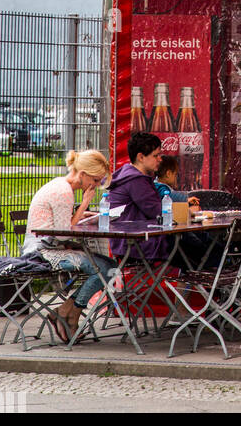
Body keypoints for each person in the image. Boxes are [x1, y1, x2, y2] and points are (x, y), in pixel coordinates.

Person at [23, 148, 113, 341]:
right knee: (105, 268)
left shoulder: (61, 186)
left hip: (48, 247)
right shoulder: (64, 191)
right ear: (82, 174)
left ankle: (68, 311)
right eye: (96, 180)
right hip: (42, 252)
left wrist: (82, 214)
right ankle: (70, 312)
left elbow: (63, 226)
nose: (96, 186)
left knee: (107, 267)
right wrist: (84, 204)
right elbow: (64, 234)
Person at [108, 131, 168, 262]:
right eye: (156, 155)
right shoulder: (135, 180)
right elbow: (158, 211)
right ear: (141, 157)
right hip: (136, 245)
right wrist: (188, 212)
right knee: (192, 241)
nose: (160, 159)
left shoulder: (129, 175)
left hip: (127, 242)